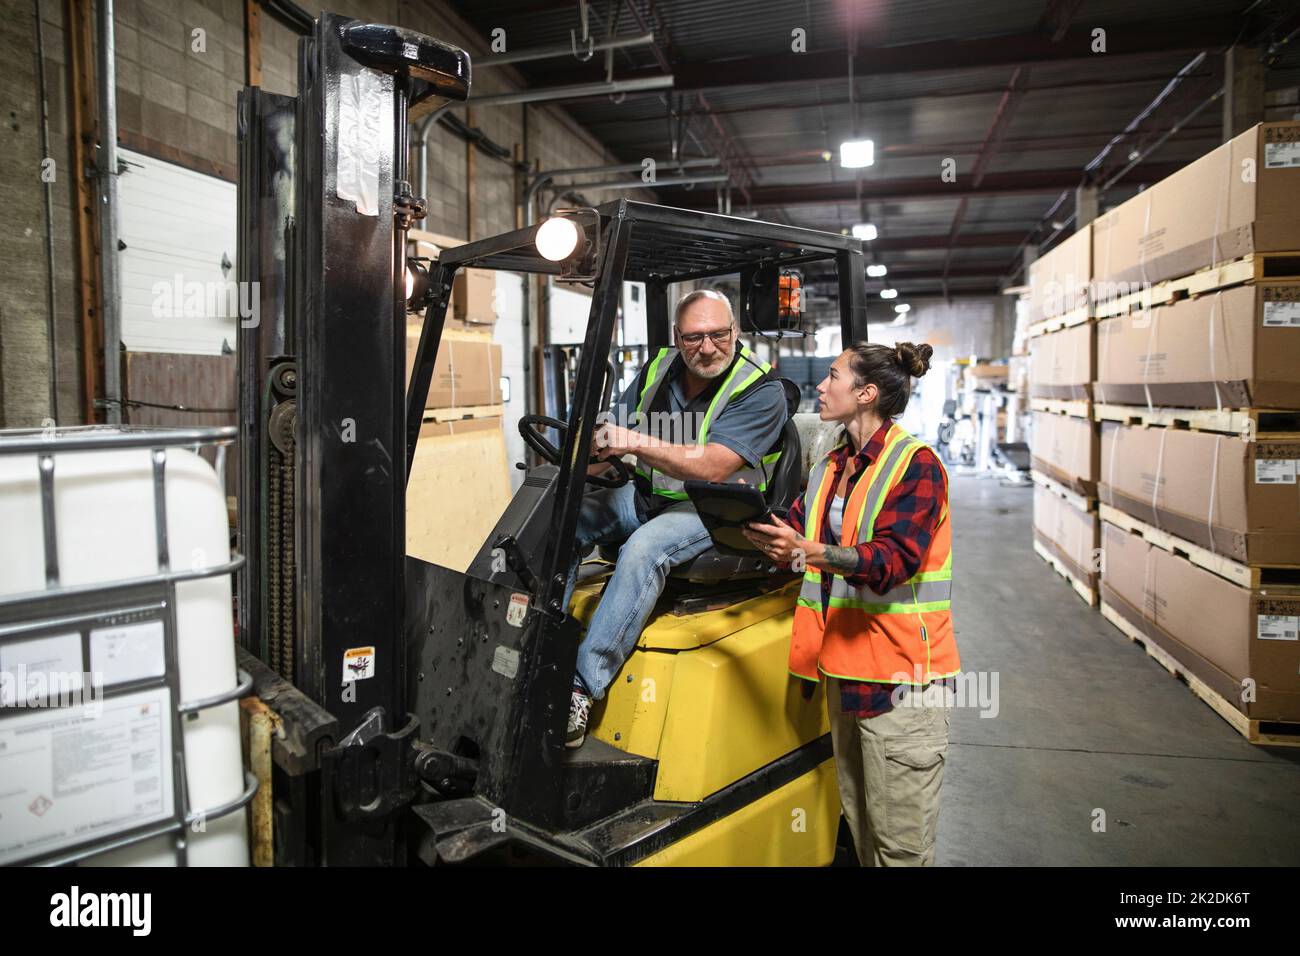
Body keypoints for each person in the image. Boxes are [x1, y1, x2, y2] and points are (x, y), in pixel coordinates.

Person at [743, 341, 958, 866]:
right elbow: (799, 525)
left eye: (833, 376)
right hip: (845, 673)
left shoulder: (916, 466)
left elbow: (892, 562)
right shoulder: (832, 462)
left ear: (865, 394)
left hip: (901, 686)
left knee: (899, 850)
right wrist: (758, 533)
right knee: (863, 832)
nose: (820, 385)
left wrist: (812, 552)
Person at [561, 289, 789, 748]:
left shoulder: (761, 389)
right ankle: (538, 643)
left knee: (642, 549)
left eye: (718, 335)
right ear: (677, 337)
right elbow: (613, 431)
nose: (707, 348)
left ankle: (582, 685)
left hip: (718, 511)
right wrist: (579, 462)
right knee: (563, 521)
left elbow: (713, 467)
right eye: (694, 337)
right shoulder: (659, 368)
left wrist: (632, 442)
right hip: (650, 496)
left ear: (736, 332)